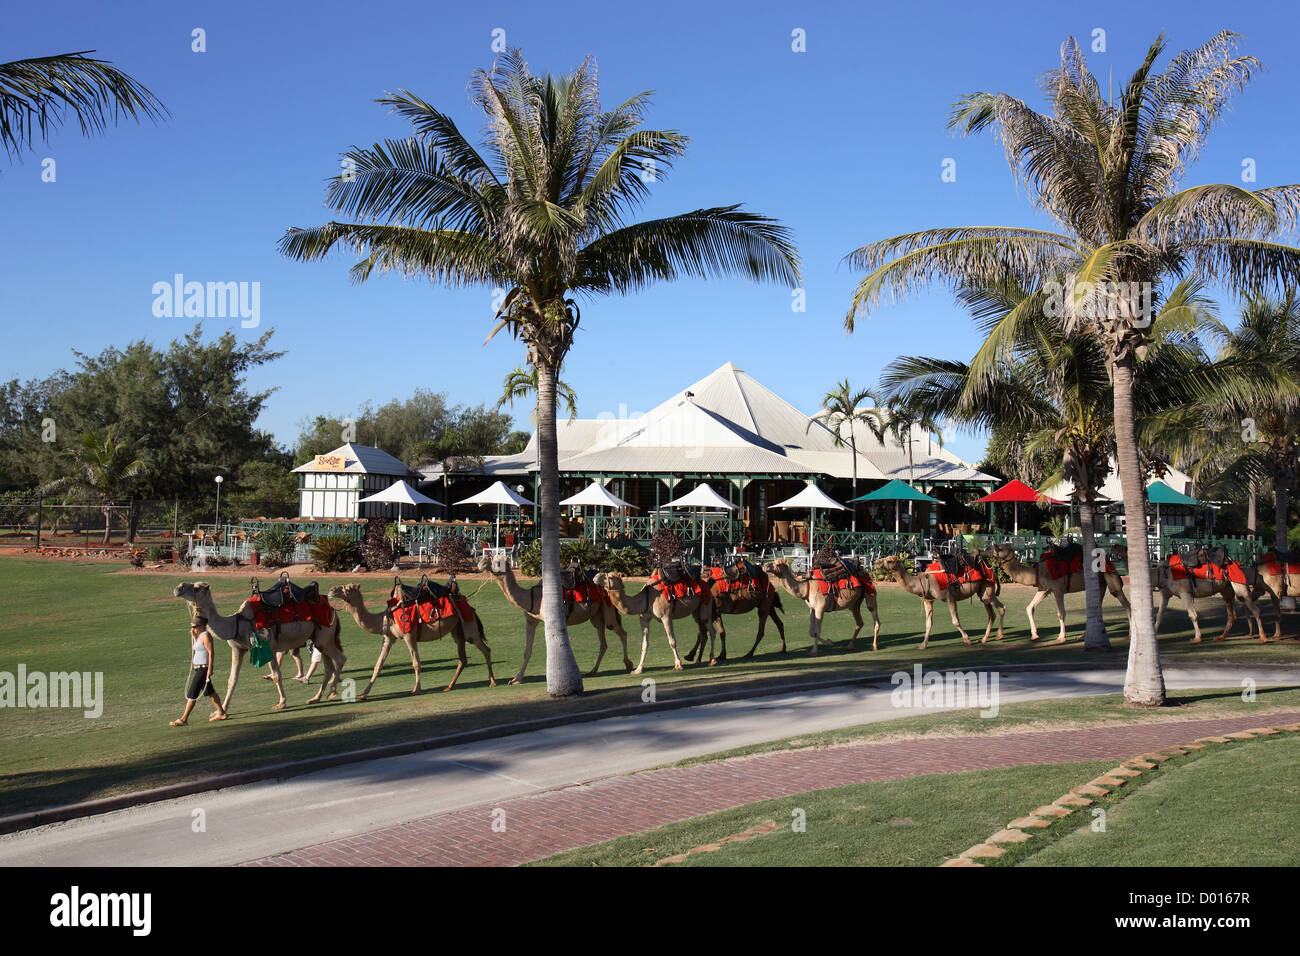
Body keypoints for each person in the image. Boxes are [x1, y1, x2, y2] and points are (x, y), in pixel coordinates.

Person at [172, 617, 227, 725]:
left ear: (201, 626)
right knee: (210, 691)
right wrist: (194, 636)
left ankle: (184, 719)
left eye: (194, 627)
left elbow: (211, 653)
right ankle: (221, 713)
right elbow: (196, 648)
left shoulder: (206, 636)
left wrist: (210, 669)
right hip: (198, 669)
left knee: (192, 693)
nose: (193, 628)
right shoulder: (200, 636)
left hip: (203, 669)